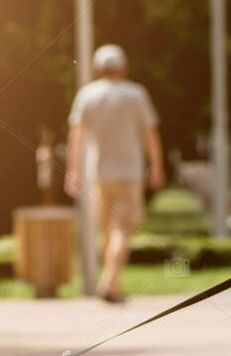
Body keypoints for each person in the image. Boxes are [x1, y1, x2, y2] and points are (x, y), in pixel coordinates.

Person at [64, 43, 165, 303]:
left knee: (107, 232)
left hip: (97, 174)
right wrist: (157, 166)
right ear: (123, 67)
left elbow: (76, 136)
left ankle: (113, 283)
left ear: (97, 68)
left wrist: (72, 171)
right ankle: (109, 282)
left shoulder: (87, 95)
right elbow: (150, 133)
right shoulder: (136, 94)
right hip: (129, 174)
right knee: (122, 230)